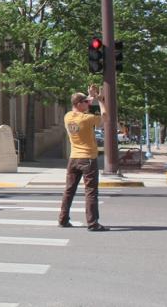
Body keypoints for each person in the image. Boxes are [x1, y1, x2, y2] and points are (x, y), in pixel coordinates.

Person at [58, 84, 108, 232]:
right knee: (91, 192)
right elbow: (105, 117)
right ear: (79, 104)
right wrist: (100, 100)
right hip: (88, 159)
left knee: (69, 190)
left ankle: (63, 219)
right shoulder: (87, 119)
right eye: (86, 102)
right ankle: (92, 223)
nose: (88, 103)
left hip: (73, 158)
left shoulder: (68, 116)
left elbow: (82, 105)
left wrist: (90, 97)